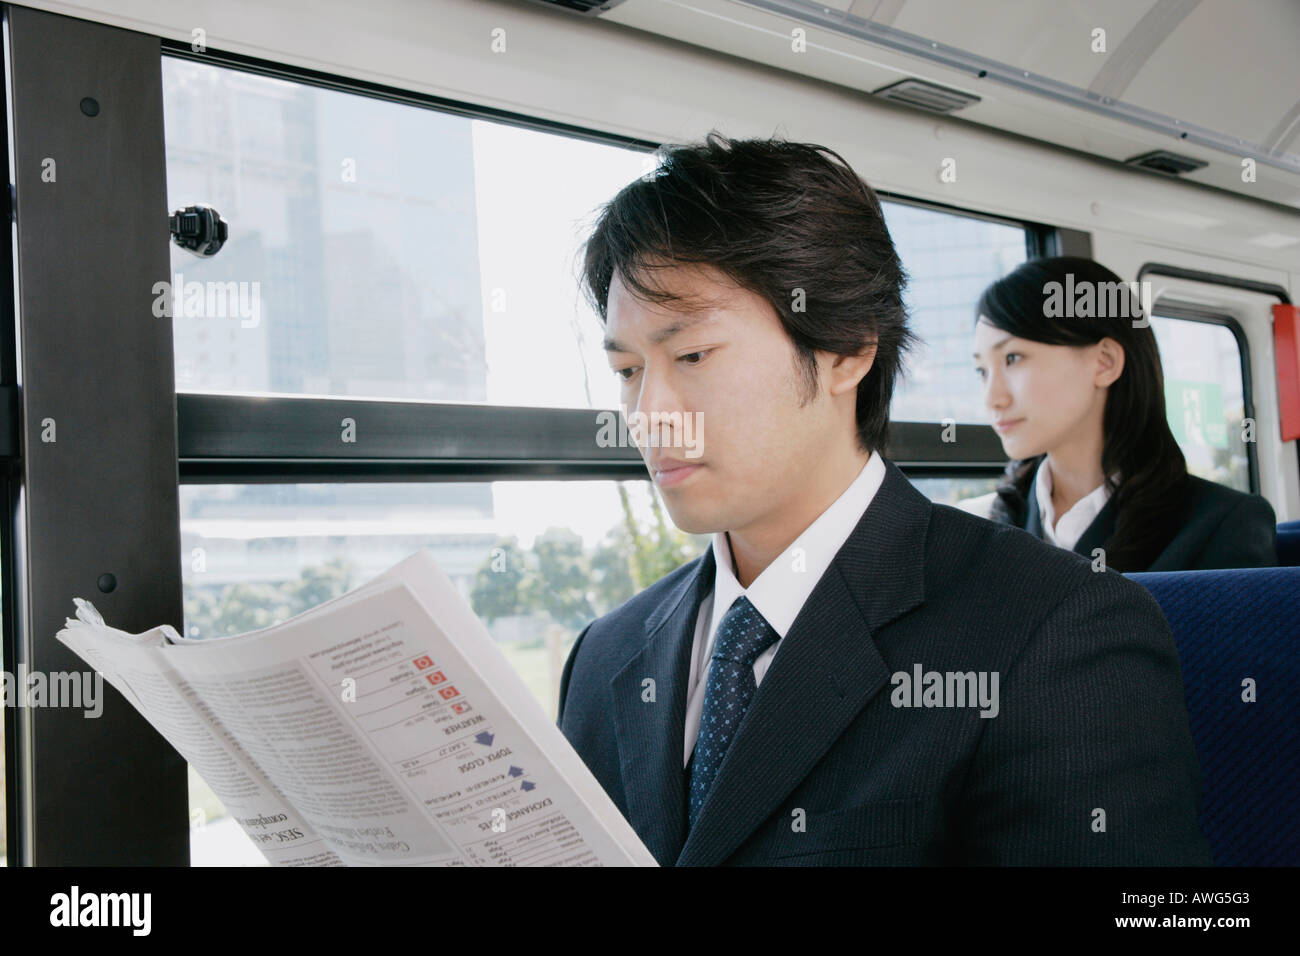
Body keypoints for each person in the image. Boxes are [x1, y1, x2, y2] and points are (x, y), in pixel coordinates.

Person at [557, 131, 1211, 866]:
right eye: (626, 370)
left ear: (846, 351)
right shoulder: (606, 655)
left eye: (692, 357)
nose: (649, 415)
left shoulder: (1054, 633)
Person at [960, 256, 1277, 571]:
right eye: (982, 371)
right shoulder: (985, 530)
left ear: (1104, 362)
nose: (992, 399)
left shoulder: (1221, 525)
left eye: (1013, 358)